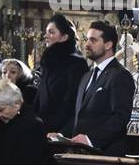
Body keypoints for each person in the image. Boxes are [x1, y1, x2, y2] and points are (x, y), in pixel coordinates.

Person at [56, 21, 134, 155]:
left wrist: (90, 139)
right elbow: (79, 116)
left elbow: (120, 118)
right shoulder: (87, 75)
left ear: (108, 45)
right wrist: (60, 135)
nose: (86, 44)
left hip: (105, 156)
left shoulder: (120, 75)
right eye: (87, 39)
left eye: (93, 40)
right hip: (81, 153)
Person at [34, 13, 91, 134]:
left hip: (62, 133)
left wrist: (62, 133)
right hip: (42, 129)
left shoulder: (77, 64)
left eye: (51, 32)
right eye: (46, 32)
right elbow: (40, 98)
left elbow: (75, 103)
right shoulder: (48, 62)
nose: (46, 36)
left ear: (64, 37)